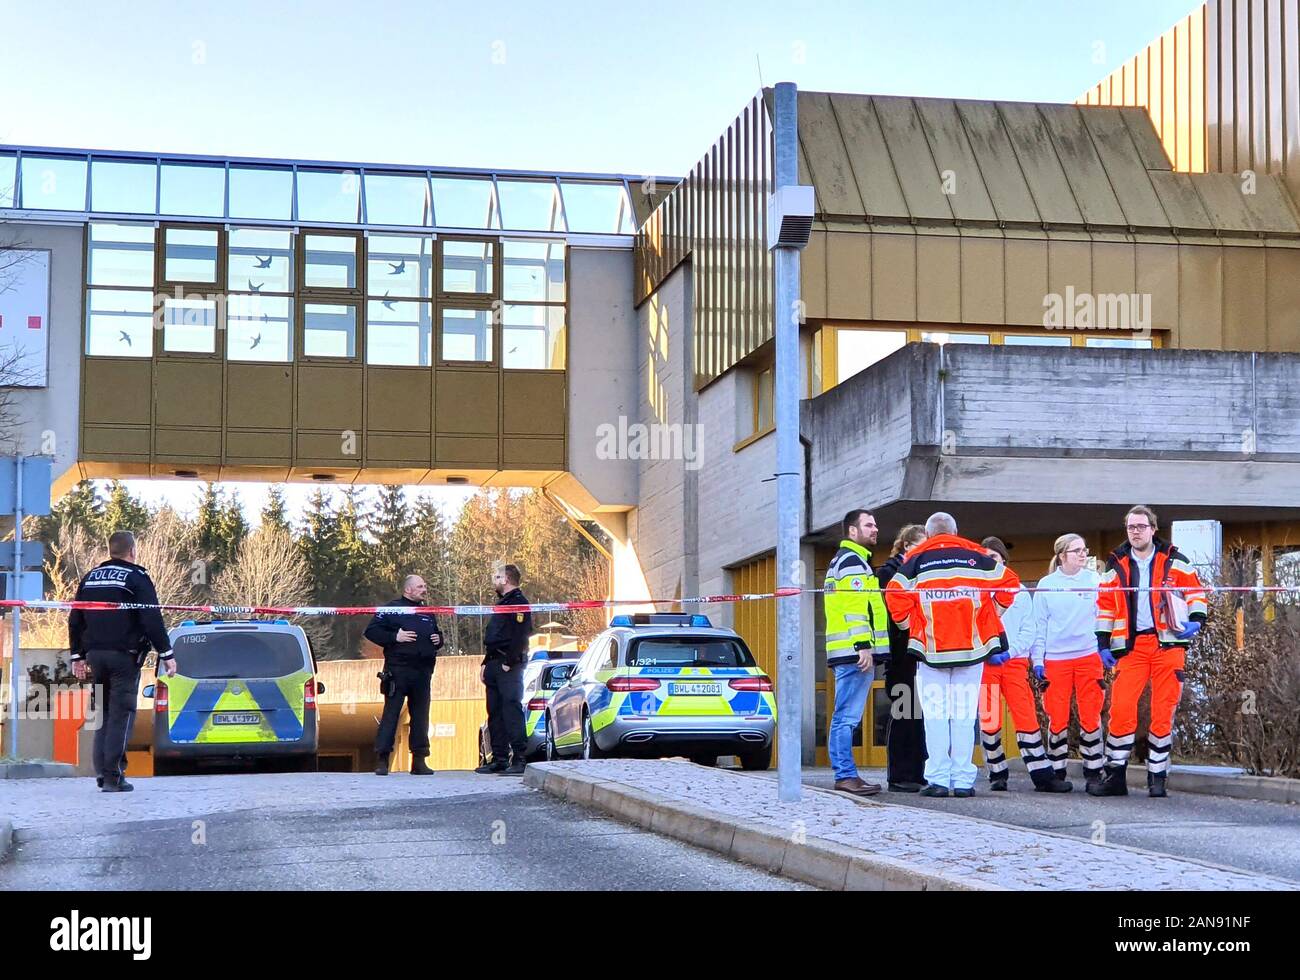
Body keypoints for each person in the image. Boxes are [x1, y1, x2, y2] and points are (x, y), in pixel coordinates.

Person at [883, 512, 1019, 798]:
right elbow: (1010, 584)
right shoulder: (977, 555)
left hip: (931, 651)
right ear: (956, 532)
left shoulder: (916, 559)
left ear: (930, 535)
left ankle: (939, 780)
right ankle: (963, 781)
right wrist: (992, 616)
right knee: (964, 716)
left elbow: (894, 595)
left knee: (935, 717)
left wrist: (911, 626)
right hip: (972, 649)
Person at [1090, 506, 1208, 798]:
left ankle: (1158, 777)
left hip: (1167, 645)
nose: (1136, 531)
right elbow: (1105, 605)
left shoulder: (1176, 561)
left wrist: (1196, 621)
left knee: (1163, 710)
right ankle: (1115, 775)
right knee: (1120, 709)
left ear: (1153, 529)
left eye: (1141, 526)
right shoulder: (1116, 564)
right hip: (1131, 648)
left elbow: (1196, 594)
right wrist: (1103, 642)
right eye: (1131, 527)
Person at [68, 530, 176, 793]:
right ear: (133, 551)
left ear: (110, 550)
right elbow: (151, 618)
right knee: (121, 714)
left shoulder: (91, 577)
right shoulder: (137, 577)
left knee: (103, 714)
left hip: (95, 656)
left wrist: (77, 656)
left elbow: (75, 619)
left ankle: (102, 774)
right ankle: (113, 776)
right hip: (123, 658)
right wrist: (167, 654)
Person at [978, 537, 1065, 793]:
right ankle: (996, 773)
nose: (989, 561)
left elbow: (1030, 629)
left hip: (1014, 662)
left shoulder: (1019, 591)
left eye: (993, 557)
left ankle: (1041, 775)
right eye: (985, 557)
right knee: (989, 719)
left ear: (1003, 559)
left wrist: (1008, 652)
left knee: (1025, 716)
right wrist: (988, 652)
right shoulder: (977, 590)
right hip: (985, 664)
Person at [822, 510, 891, 796]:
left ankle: (848, 774)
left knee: (846, 717)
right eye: (868, 525)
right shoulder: (852, 562)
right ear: (852, 531)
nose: (875, 529)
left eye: (875, 524)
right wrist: (863, 645)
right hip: (854, 653)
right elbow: (855, 607)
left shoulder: (851, 560)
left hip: (849, 652)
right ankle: (846, 776)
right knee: (846, 718)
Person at [1029, 533, 1106, 791]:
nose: (1083, 555)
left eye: (1085, 550)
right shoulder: (1047, 584)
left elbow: (1103, 617)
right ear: (1062, 556)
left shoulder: (1095, 581)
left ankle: (1094, 770)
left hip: (1088, 656)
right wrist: (1037, 660)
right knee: (1057, 717)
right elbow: (1039, 625)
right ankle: (1057, 770)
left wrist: (1105, 648)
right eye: (1077, 551)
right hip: (1056, 660)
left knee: (1091, 715)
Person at [364, 574, 444, 776]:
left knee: (421, 717)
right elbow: (371, 631)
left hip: (423, 672)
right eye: (420, 586)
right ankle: (382, 760)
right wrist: (394, 637)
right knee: (391, 715)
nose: (424, 589)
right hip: (398, 671)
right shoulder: (392, 608)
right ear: (408, 589)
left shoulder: (427, 612)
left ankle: (419, 761)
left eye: (425, 585)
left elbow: (437, 634)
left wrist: (439, 639)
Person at [876, 524, 928, 792]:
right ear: (907, 546)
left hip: (918, 652)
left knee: (918, 715)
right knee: (903, 713)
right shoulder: (888, 573)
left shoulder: (923, 572)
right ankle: (898, 775)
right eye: (921, 545)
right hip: (899, 655)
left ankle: (917, 772)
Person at [477, 563, 533, 775]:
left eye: (497, 577)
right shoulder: (502, 603)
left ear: (506, 579)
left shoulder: (518, 603)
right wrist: (485, 663)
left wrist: (509, 661)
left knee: (511, 709)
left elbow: (521, 635)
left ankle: (519, 758)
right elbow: (495, 637)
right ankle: (498, 758)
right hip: (494, 663)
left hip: (509, 665)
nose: (494, 580)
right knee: (495, 713)